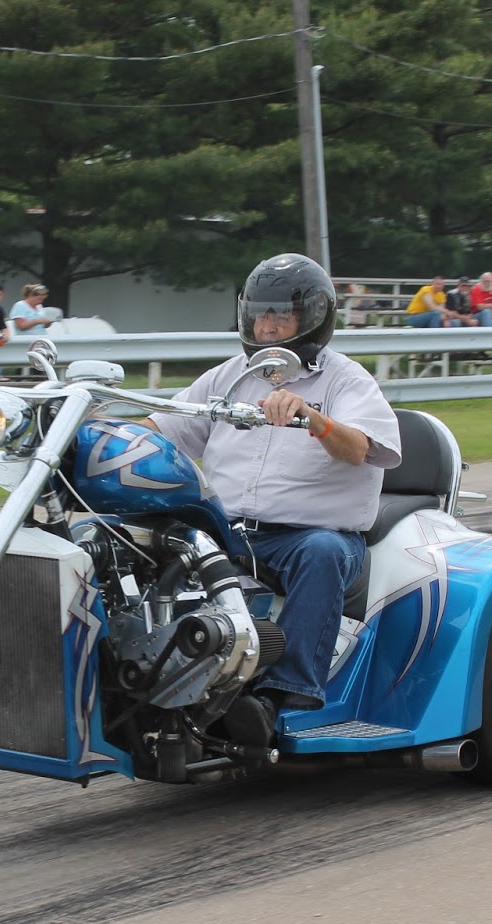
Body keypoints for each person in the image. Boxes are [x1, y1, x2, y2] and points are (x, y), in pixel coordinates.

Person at [146, 253, 401, 745]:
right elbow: (161, 429)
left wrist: (313, 418)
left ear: (314, 318)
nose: (268, 326)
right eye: (260, 314)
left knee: (322, 552)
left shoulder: (346, 380)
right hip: (226, 532)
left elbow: (360, 448)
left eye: (283, 315)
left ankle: (285, 696)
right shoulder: (227, 377)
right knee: (139, 540)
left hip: (308, 537)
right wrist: (99, 434)